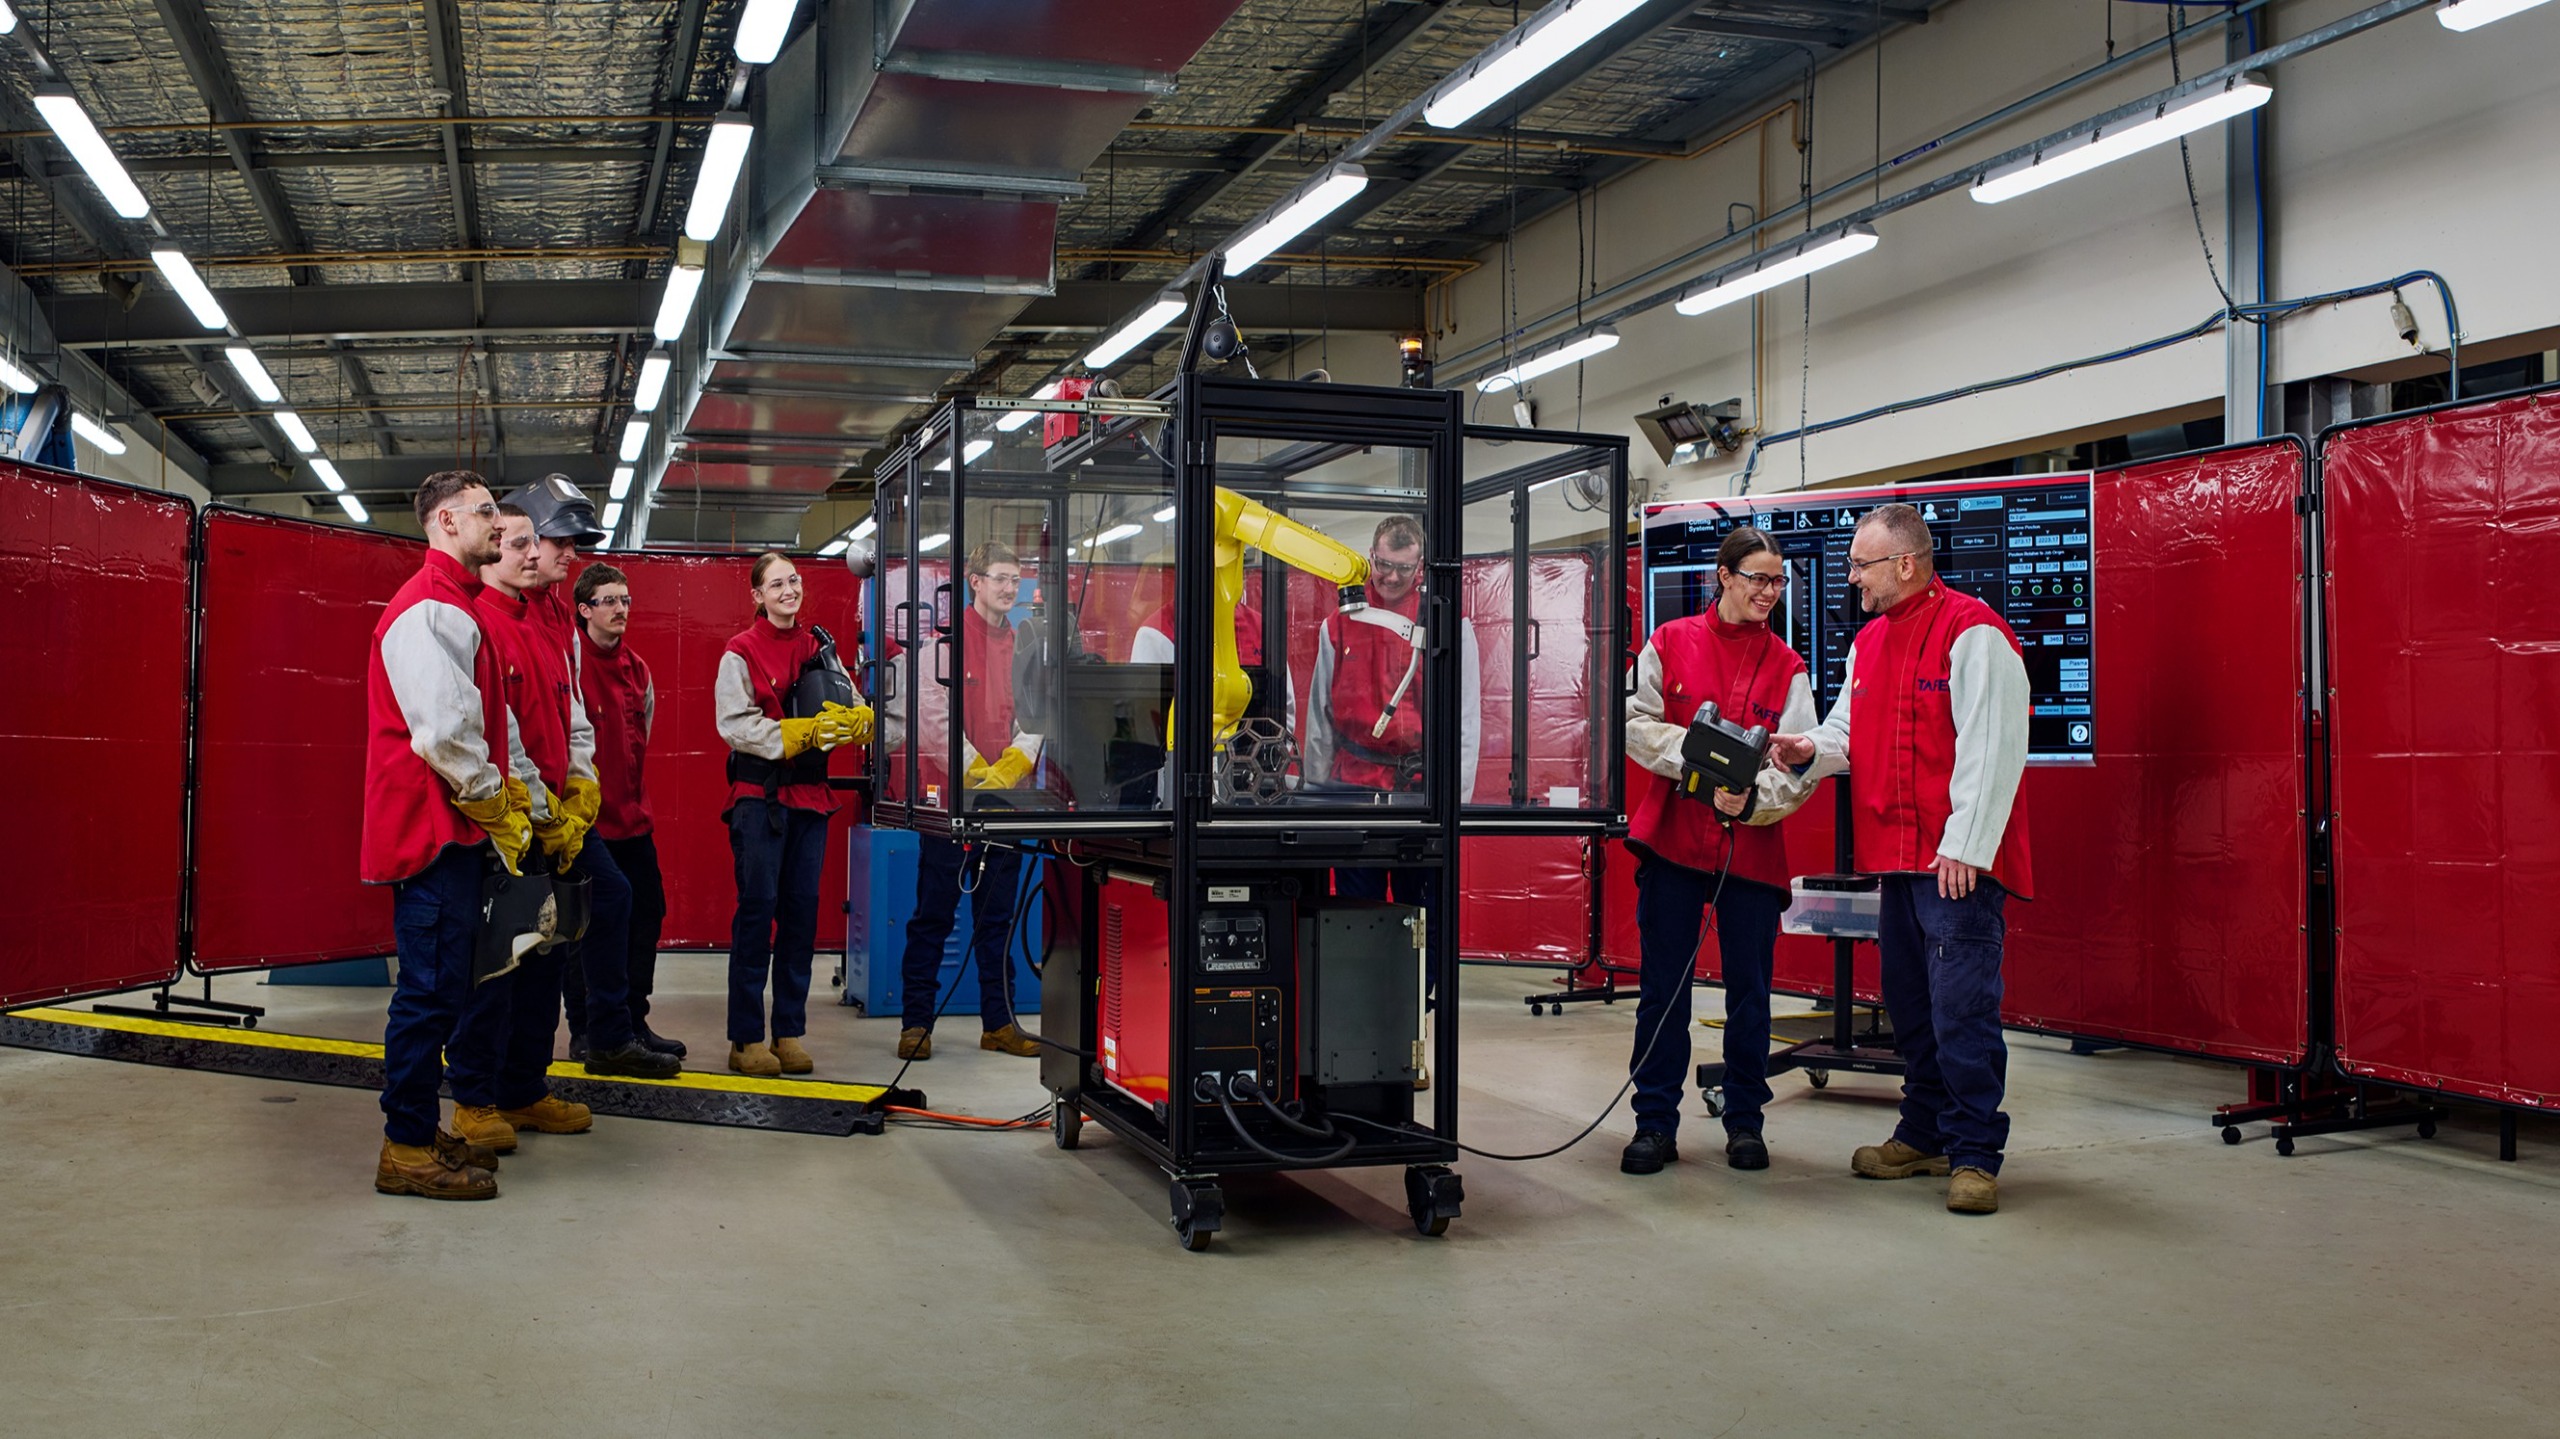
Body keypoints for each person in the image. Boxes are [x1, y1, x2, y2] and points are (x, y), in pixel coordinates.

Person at [1770, 501, 2033, 1216]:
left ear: (1906, 563)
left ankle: (1975, 1151)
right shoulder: (1869, 645)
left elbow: (1995, 744)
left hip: (1955, 865)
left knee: (1962, 1010)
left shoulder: (1976, 634)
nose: (1852, 577)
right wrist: (1808, 752)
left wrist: (1966, 844)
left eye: (1862, 564)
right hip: (1896, 862)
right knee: (1911, 1006)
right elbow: (1846, 733)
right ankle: (1923, 1132)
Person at [1619, 527, 1819, 1177]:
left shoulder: (1789, 667)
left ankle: (1745, 1123)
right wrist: (1698, 758)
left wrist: (1750, 799)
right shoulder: (1669, 641)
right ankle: (1654, 1123)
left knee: (1751, 995)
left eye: (1778, 581)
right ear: (1725, 576)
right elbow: (1633, 720)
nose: (1769, 591)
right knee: (1662, 993)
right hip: (1674, 841)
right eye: (1758, 578)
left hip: (1751, 851)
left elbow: (1799, 765)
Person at [359, 469, 517, 1200]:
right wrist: (498, 806)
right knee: (426, 992)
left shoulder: (459, 606)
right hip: (432, 832)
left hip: (452, 829)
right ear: (445, 523)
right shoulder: (427, 609)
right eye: (485, 512)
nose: (496, 523)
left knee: (445, 986)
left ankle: (419, 1127)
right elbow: (447, 736)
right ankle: (405, 1146)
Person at [499, 476, 669, 1079]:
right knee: (542, 941)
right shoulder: (502, 613)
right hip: (519, 810)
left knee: (602, 912)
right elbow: (502, 721)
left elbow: (568, 713)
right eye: (561, 542)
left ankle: (603, 1037)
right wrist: (541, 802)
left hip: (567, 806)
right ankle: (590, 1040)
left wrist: (578, 780)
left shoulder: (550, 616)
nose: (571, 554)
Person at [716, 552, 867, 1076]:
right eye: (776, 584)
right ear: (757, 595)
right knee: (757, 914)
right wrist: (794, 735)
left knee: (800, 919)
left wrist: (861, 719)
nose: (789, 590)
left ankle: (788, 1032)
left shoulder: (819, 648)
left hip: (811, 800)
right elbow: (734, 725)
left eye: (794, 581)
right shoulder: (740, 652)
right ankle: (744, 1039)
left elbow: (850, 702)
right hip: (760, 800)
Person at [892, 541, 1043, 1062]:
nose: (1008, 588)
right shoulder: (941, 648)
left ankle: (998, 1023)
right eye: (999, 578)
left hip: (1006, 804)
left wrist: (1017, 764)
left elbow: (1035, 715)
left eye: (1015, 580)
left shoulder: (1025, 649)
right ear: (974, 582)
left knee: (996, 919)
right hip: (949, 804)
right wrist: (980, 772)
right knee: (933, 914)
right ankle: (916, 1023)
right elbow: (934, 719)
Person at [1304, 513, 1481, 907]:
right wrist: (1314, 791)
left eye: (1403, 568)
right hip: (1351, 790)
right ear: (1371, 556)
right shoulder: (1338, 623)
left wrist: (1457, 805)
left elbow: (1465, 717)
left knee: (1422, 914)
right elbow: (1321, 714)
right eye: (1384, 565)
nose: (1392, 577)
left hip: (1419, 794)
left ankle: (1427, 973)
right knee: (1355, 909)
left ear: (1421, 566)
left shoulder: (1447, 623)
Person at [574, 561, 681, 1058]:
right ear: (584, 610)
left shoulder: (639, 669)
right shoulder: (569, 662)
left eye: (625, 601)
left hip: (634, 820)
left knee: (647, 914)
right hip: (587, 824)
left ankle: (633, 1021)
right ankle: (586, 1029)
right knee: (586, 928)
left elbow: (644, 738)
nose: (620, 610)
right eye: (609, 601)